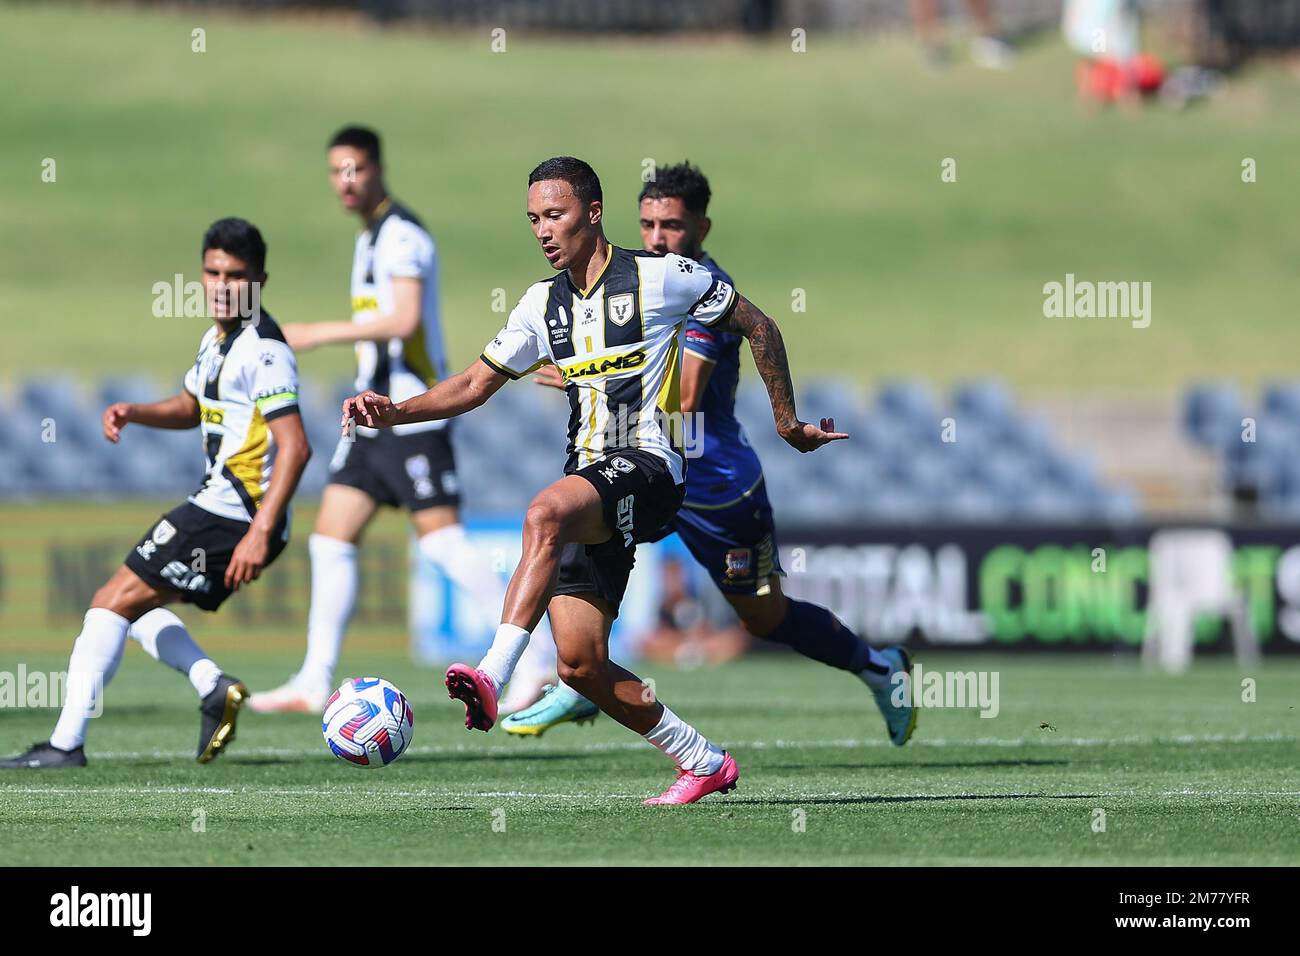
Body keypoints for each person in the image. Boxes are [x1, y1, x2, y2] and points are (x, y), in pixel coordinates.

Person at [341, 156, 846, 805]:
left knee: (544, 512)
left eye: (555, 215)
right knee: (579, 663)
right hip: (594, 483)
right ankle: (703, 761)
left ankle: (494, 673)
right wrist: (395, 412)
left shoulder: (663, 278)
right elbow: (472, 384)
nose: (543, 230)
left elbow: (758, 324)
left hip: (652, 466)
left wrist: (787, 422)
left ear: (594, 213)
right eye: (533, 219)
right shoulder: (540, 305)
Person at [504, 162, 916, 746]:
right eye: (647, 224)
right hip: (645, 467)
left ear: (702, 225)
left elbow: (687, 396)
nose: (656, 238)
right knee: (577, 537)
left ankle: (880, 668)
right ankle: (581, 678)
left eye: (670, 225)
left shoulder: (690, 288)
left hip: (713, 480)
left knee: (764, 616)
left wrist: (590, 373)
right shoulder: (631, 281)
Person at [1, 219, 311, 769]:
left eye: (236, 276)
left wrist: (260, 532)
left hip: (234, 513)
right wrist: (136, 412)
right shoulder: (217, 340)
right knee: (134, 607)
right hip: (223, 507)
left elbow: (295, 447)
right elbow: (192, 408)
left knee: (109, 600)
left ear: (260, 280)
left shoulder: (264, 350)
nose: (222, 285)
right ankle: (213, 686)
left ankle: (65, 745)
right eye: (212, 273)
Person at [250, 126, 533, 714]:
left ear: (377, 168)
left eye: (353, 168)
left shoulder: (402, 234)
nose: (344, 182)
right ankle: (313, 679)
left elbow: (404, 321)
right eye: (335, 172)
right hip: (368, 416)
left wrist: (313, 333)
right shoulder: (370, 239)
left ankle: (535, 663)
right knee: (330, 539)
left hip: (407, 414)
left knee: (443, 544)